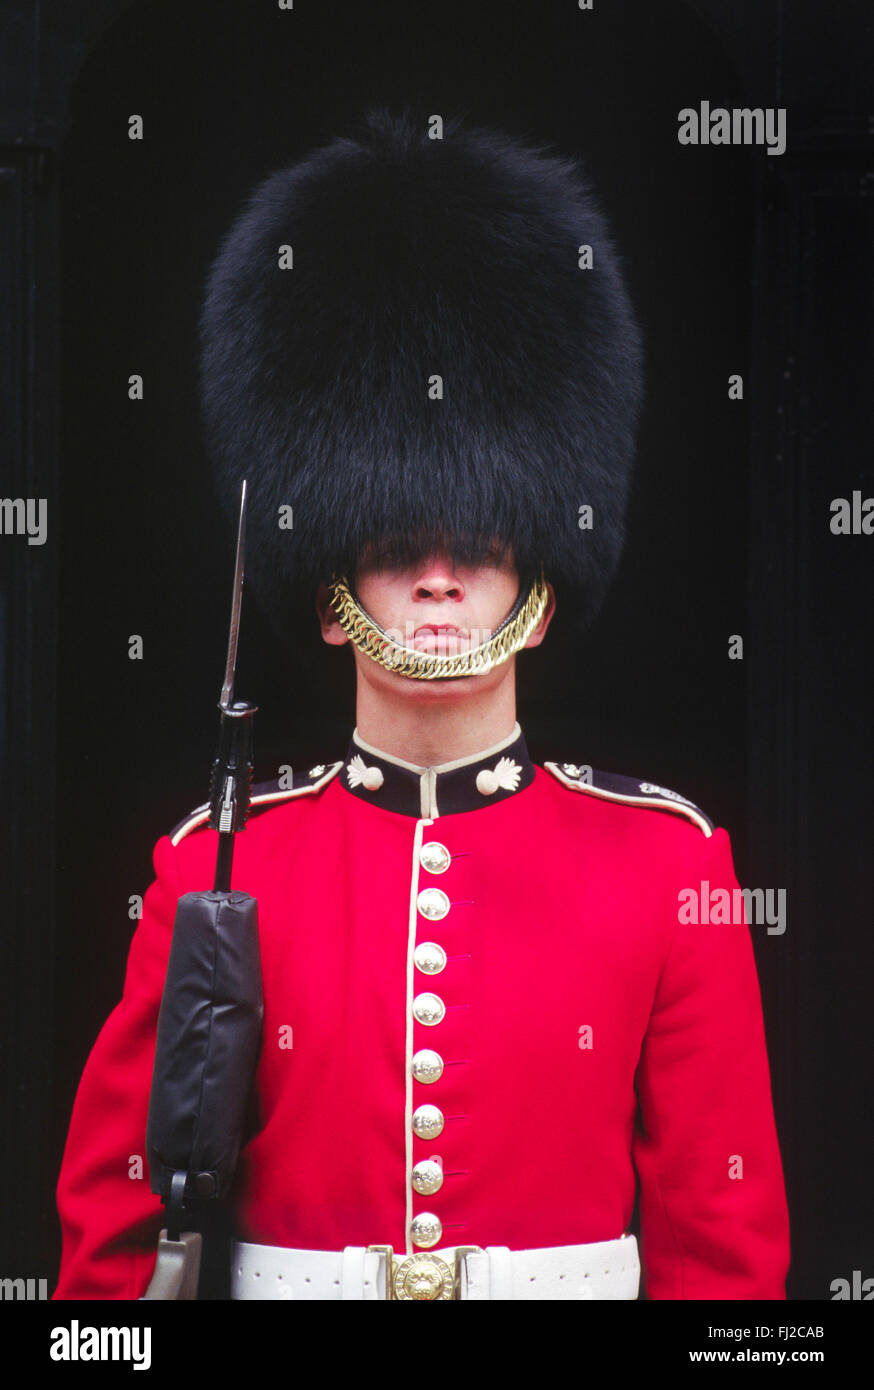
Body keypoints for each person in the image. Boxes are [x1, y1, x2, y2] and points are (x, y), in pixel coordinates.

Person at [53, 108, 789, 1301]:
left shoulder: (668, 866)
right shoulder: (216, 867)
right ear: (331, 585)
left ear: (538, 594)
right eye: (396, 543)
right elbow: (110, 1252)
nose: (438, 578)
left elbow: (724, 1257)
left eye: (479, 549)